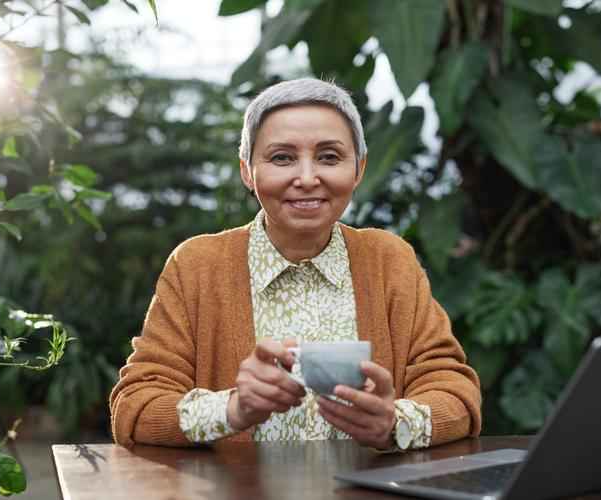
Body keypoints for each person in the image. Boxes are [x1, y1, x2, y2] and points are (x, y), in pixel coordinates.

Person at [109, 78, 481, 450]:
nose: (306, 179)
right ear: (247, 171)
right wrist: (232, 409)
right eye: (282, 157)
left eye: (329, 157)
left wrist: (394, 423)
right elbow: (135, 408)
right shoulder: (197, 266)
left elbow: (457, 393)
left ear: (359, 169)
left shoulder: (389, 260)